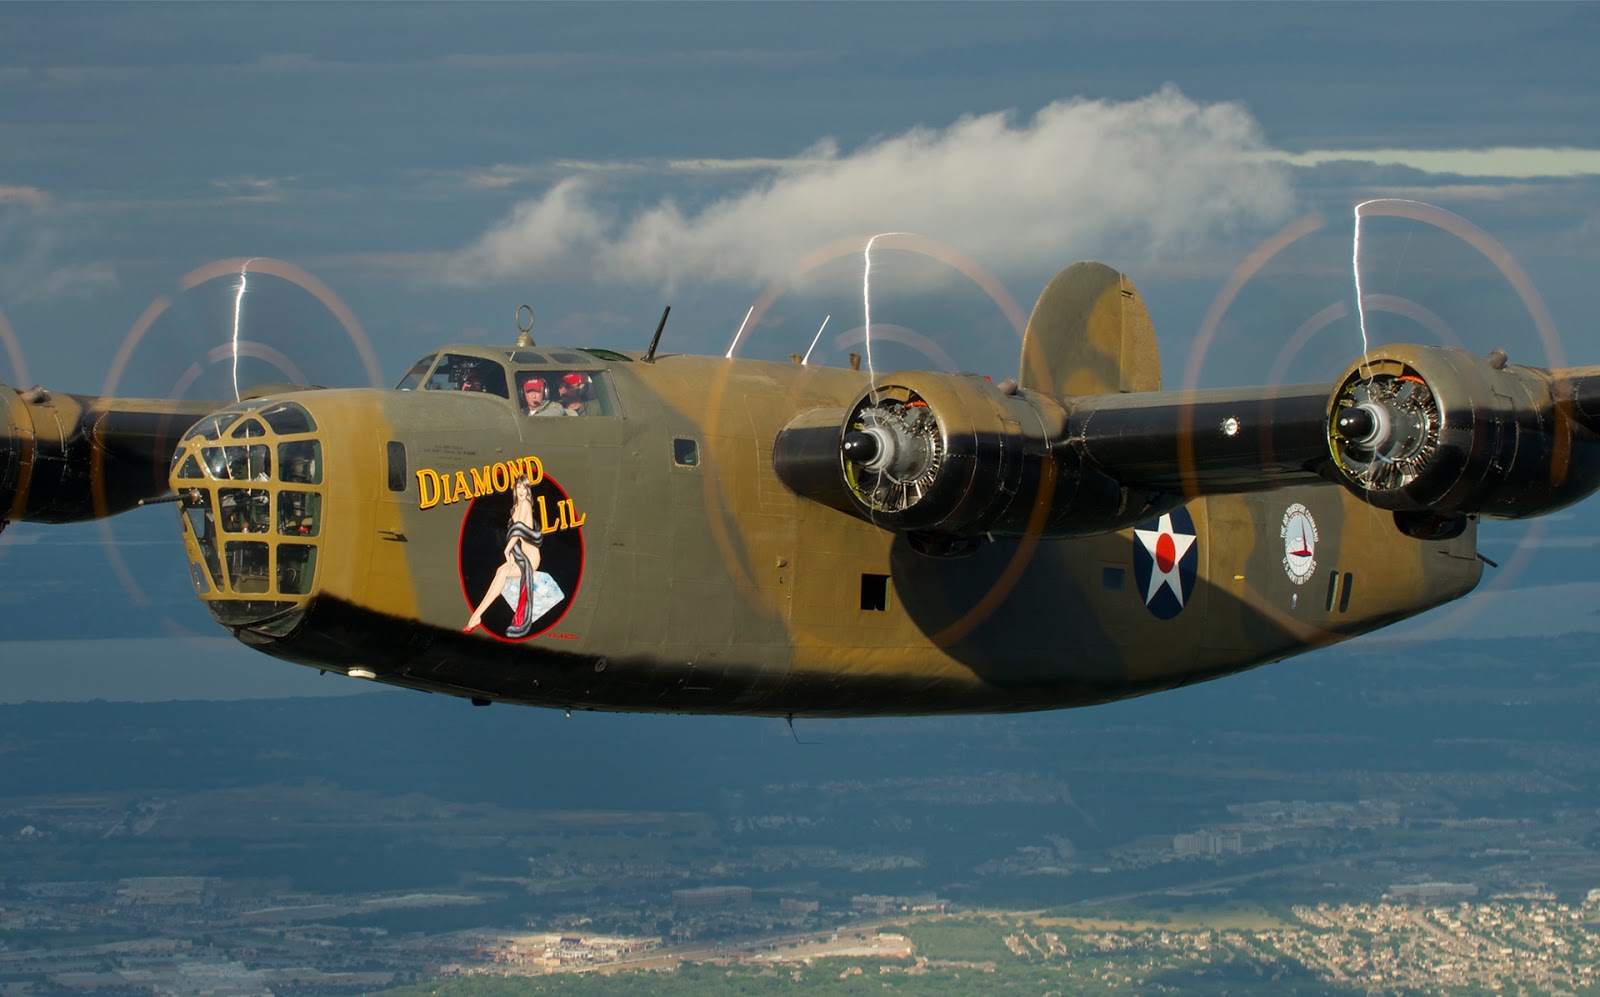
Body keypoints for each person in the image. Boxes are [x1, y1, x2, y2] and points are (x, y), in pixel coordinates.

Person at [463, 476, 565, 636]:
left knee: (502, 573)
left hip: (530, 559)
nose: (522, 491)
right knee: (499, 573)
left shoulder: (525, 505)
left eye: (525, 488)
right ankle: (476, 616)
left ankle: (476, 616)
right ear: (515, 490)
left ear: (528, 490)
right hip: (520, 555)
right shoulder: (516, 507)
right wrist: (510, 553)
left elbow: (517, 531)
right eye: (519, 488)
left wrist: (507, 550)